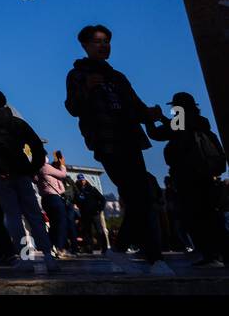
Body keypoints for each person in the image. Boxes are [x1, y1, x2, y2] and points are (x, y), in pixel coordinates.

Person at [65, 24, 169, 273]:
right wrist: (87, 89)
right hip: (107, 142)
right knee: (139, 197)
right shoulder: (77, 75)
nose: (104, 46)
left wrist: (151, 114)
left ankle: (135, 252)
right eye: (98, 42)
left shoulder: (117, 77)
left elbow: (135, 106)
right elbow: (73, 107)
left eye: (107, 42)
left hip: (130, 139)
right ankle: (150, 256)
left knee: (141, 198)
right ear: (86, 45)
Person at [0, 90, 59, 272]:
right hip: (21, 173)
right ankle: (49, 256)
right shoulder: (16, 123)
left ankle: (25, 259)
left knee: (13, 217)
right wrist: (32, 168)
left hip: (2, 177)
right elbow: (36, 145)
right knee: (34, 215)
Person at [147, 92, 228, 266]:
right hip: (205, 175)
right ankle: (222, 252)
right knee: (211, 216)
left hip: (188, 177)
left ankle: (209, 253)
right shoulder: (199, 121)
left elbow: (158, 134)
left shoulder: (183, 119)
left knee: (195, 217)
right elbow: (175, 127)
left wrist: (149, 119)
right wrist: (162, 117)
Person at [35, 154, 71, 256]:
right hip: (54, 198)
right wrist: (62, 165)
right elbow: (63, 174)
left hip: (45, 199)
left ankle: (51, 246)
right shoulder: (45, 166)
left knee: (53, 224)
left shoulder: (35, 169)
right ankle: (60, 247)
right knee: (61, 223)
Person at [74, 176, 109, 253]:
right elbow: (76, 201)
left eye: (83, 180)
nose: (82, 181)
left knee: (99, 230)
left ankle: (104, 248)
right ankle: (89, 248)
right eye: (80, 180)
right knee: (87, 232)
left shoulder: (92, 189)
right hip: (85, 215)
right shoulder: (77, 191)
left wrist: (99, 209)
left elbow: (102, 199)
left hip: (94, 213)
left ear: (85, 180)